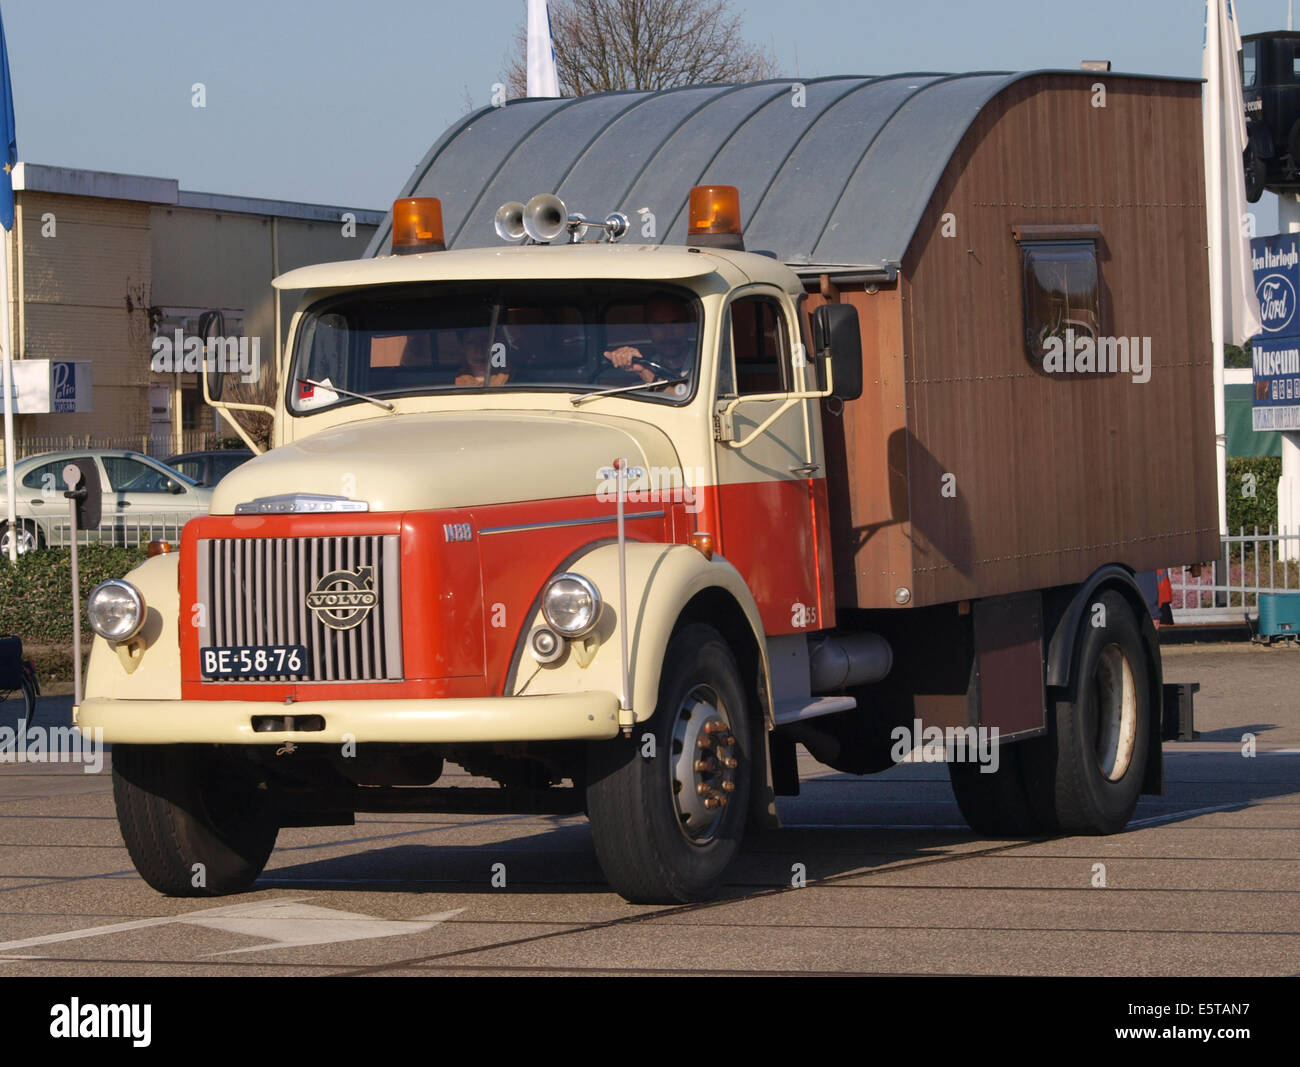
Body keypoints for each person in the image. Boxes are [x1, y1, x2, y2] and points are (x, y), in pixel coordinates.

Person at [603, 296, 695, 386]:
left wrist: (646, 373)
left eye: (676, 324)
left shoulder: (702, 362)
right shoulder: (643, 370)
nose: (668, 334)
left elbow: (683, 394)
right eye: (658, 325)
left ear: (688, 324)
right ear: (648, 329)